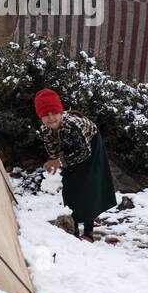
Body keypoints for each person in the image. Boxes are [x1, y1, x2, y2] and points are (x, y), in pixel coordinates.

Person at [36, 88, 117, 243]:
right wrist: (55, 164)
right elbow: (53, 151)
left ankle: (88, 232)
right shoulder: (45, 130)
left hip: (90, 146)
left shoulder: (73, 126)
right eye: (46, 115)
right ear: (41, 117)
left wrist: (60, 161)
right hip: (70, 147)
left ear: (60, 112)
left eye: (54, 113)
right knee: (69, 184)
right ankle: (73, 229)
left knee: (87, 186)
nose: (51, 118)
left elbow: (84, 152)